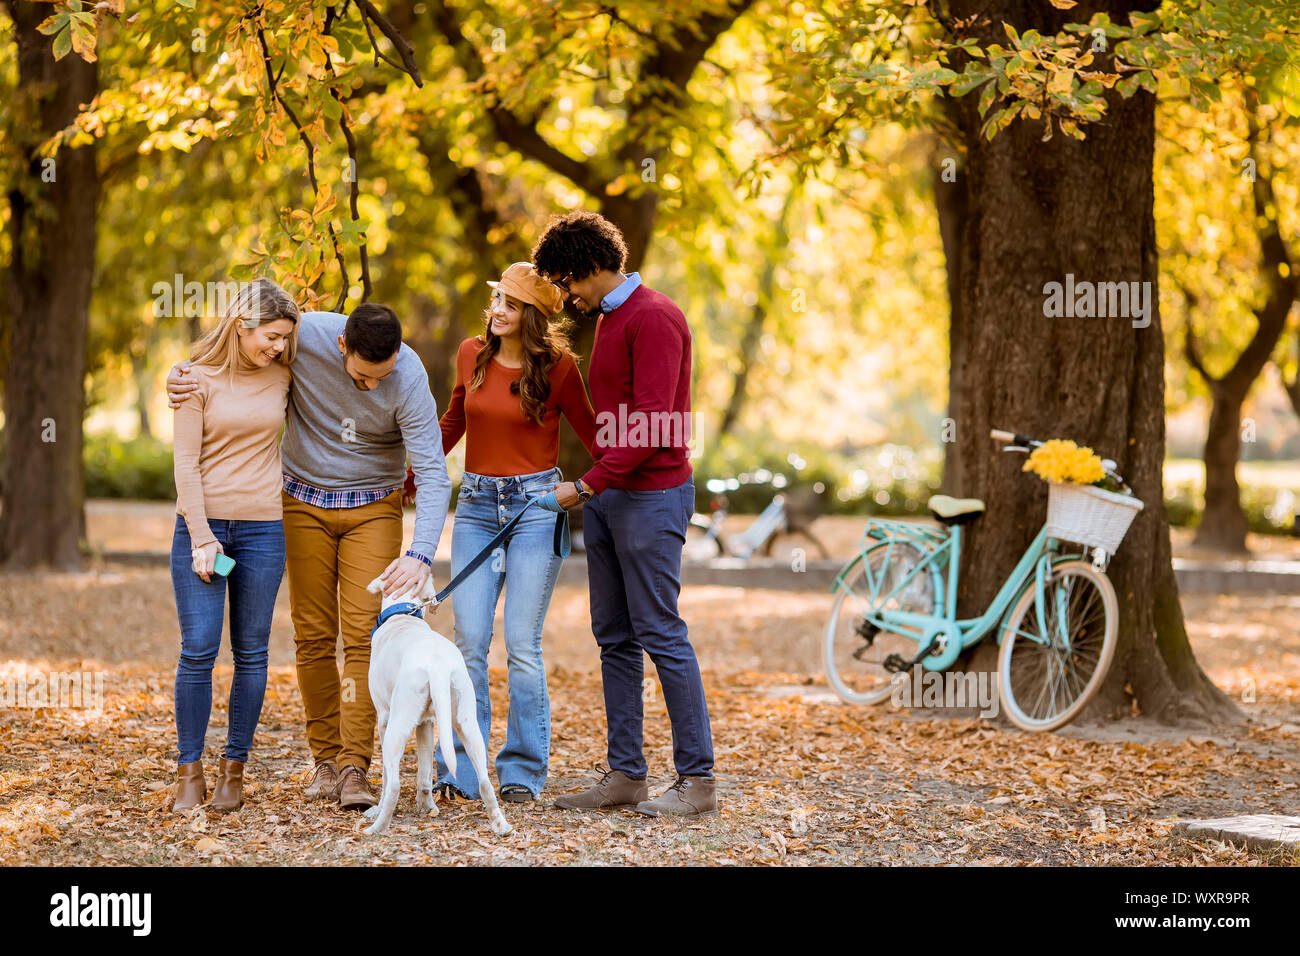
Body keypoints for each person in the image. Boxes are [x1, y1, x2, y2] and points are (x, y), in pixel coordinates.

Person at [168, 302, 452, 811]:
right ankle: (325, 760)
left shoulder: (407, 375)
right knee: (314, 635)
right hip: (301, 503)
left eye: (380, 377)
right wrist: (184, 374)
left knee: (367, 633)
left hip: (372, 507)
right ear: (341, 345)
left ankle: (354, 768)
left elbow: (433, 472)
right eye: (364, 377)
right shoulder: (306, 335)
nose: (371, 388)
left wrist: (421, 554)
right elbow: (247, 343)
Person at [533, 211, 717, 816]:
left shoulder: (655, 317)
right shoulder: (611, 319)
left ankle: (697, 782)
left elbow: (653, 422)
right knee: (614, 638)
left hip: (653, 496)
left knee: (661, 633)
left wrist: (586, 485)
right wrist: (598, 488)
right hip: (613, 498)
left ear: (588, 267)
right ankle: (625, 776)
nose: (566, 296)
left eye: (566, 282)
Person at [425, 262, 597, 804]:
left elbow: (596, 438)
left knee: (522, 645)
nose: (498, 310)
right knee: (470, 641)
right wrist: (412, 475)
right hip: (476, 506)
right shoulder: (470, 354)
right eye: (497, 299)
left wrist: (592, 490)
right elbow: (453, 422)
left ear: (533, 316)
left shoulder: (561, 368)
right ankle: (462, 768)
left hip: (536, 507)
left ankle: (522, 770)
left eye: (510, 304)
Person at [170, 278, 299, 812]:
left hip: (266, 527)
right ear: (241, 325)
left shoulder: (286, 377)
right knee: (199, 649)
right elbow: (185, 465)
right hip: (202, 528)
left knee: (251, 652)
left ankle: (234, 771)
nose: (279, 347)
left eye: (286, 338)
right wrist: (201, 535)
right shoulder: (192, 380)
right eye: (272, 336)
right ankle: (189, 772)